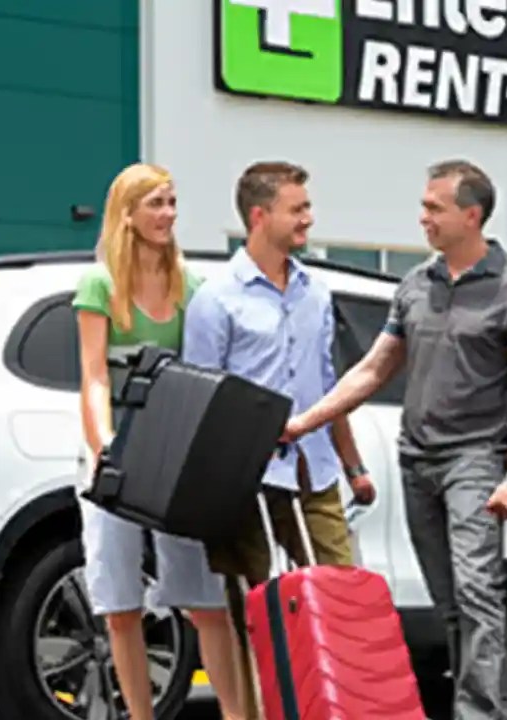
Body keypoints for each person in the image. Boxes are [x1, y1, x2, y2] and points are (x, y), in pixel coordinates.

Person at [280, 159, 507, 720]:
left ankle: (482, 715)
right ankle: (483, 707)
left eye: (434, 207)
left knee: (479, 593)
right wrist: (304, 422)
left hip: (475, 458)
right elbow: (374, 369)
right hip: (416, 458)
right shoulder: (414, 286)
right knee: (451, 603)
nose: (422, 216)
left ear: (471, 215)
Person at [181, 160, 375, 717]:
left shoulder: (316, 293)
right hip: (247, 480)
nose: (309, 220)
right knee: (255, 611)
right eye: (299, 209)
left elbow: (326, 388)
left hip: (313, 469)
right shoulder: (216, 300)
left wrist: (354, 466)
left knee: (340, 594)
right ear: (261, 216)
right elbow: (201, 398)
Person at [73, 163, 245, 720]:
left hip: (173, 452)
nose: (168, 214)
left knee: (206, 600)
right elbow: (94, 375)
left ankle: (239, 713)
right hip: (117, 449)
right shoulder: (99, 285)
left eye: (172, 203)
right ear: (128, 213)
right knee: (120, 604)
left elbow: (205, 370)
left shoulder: (190, 285)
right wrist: (103, 450)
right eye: (156, 204)